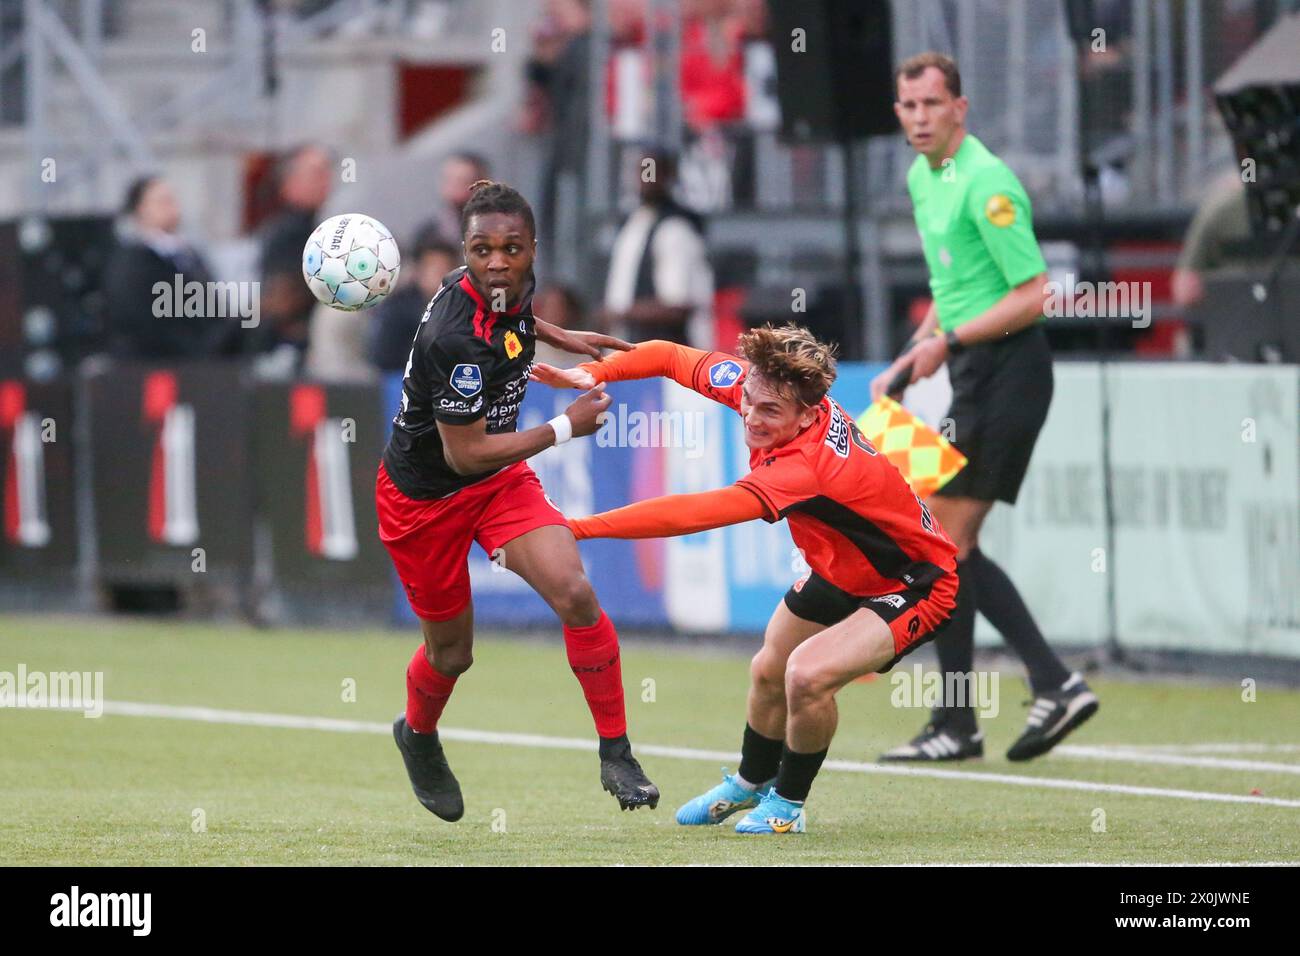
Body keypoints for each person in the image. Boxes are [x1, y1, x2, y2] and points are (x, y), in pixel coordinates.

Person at [534, 325, 959, 834]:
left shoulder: (807, 466)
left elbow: (692, 514)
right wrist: (594, 372)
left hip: (913, 583)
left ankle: (787, 807)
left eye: (769, 413)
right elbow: (669, 355)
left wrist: (579, 527)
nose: (752, 418)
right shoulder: (765, 387)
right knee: (767, 670)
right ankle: (748, 783)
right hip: (838, 570)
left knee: (806, 676)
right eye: (749, 404)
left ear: (806, 414)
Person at [377, 179, 660, 821]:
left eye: (511, 247)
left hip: (497, 482)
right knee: (454, 654)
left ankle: (616, 751)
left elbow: (511, 318)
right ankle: (417, 735)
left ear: (534, 248)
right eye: (482, 250)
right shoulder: (457, 338)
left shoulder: (485, 285)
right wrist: (565, 426)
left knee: (576, 592)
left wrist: (564, 338)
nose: (497, 261)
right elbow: (463, 456)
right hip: (425, 499)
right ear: (465, 251)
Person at [871, 52, 1098, 763]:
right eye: (908, 107)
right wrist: (915, 353)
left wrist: (948, 342)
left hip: (1012, 371)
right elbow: (956, 283)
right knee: (942, 540)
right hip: (973, 370)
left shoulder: (988, 182)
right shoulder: (921, 176)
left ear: (960, 109)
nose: (918, 119)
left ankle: (1034, 691)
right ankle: (969, 716)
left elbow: (1034, 294)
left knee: (945, 540)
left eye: (932, 105)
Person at [600, 146, 715, 349]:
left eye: (653, 171)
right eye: (643, 171)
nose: (646, 178)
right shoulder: (634, 224)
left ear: (668, 176)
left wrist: (620, 313)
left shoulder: (675, 229)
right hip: (631, 355)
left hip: (669, 362)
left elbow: (676, 306)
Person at [103, 175, 226, 359]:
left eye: (172, 200)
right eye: (162, 201)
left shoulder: (188, 254)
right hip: (152, 360)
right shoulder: (133, 263)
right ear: (141, 209)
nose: (172, 208)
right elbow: (140, 317)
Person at [256, 144, 334, 363]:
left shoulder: (317, 228)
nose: (326, 181)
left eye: (327, 172)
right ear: (289, 183)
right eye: (316, 174)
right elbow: (280, 300)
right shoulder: (283, 235)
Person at [368, 230, 460, 373]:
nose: (441, 275)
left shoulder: (468, 306)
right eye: (434, 268)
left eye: (447, 268)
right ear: (418, 271)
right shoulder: (398, 308)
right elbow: (384, 357)